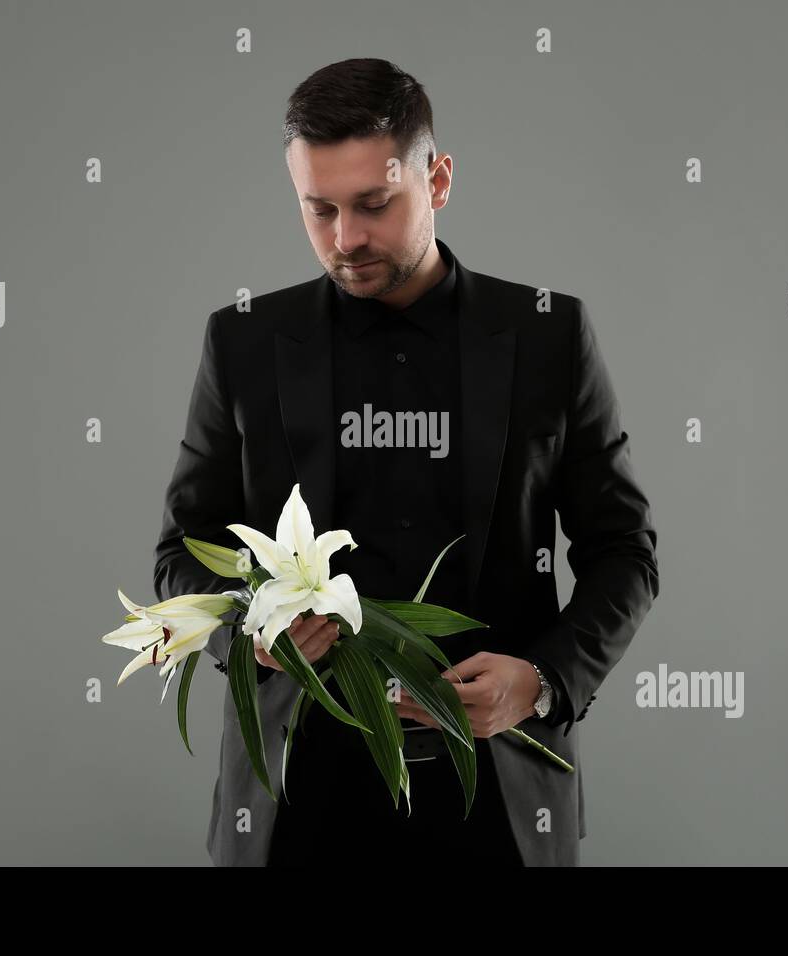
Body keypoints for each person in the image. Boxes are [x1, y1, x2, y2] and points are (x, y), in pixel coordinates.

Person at [154, 57, 660, 867]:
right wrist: (251, 633)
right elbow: (179, 555)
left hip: (497, 797)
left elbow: (625, 552)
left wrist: (541, 680)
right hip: (295, 806)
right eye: (318, 210)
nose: (346, 239)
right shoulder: (242, 341)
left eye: (374, 205)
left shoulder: (547, 335)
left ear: (440, 179)